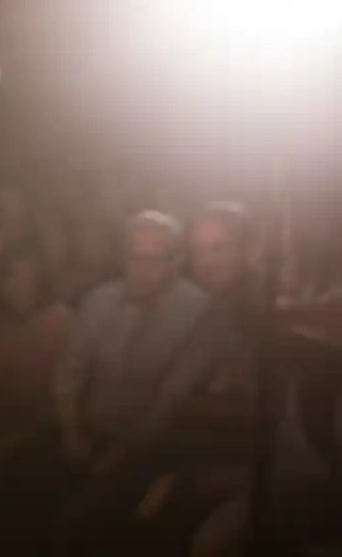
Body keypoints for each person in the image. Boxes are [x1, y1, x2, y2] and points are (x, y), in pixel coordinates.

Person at [52, 211, 213, 555]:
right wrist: (70, 430)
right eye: (134, 258)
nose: (141, 270)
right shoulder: (99, 300)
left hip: (151, 448)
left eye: (153, 260)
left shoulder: (197, 310)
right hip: (83, 431)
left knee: (84, 517)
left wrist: (121, 454)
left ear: (175, 262)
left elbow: (171, 398)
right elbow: (70, 371)